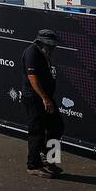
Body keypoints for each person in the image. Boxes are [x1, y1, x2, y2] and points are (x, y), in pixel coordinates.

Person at [22, 29, 65, 178]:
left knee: (57, 126)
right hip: (35, 98)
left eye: (54, 45)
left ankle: (50, 159)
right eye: (50, 45)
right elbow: (32, 78)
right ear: (41, 42)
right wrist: (45, 99)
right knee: (36, 132)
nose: (53, 48)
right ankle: (33, 166)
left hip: (45, 96)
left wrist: (47, 97)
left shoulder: (44, 53)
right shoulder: (31, 52)